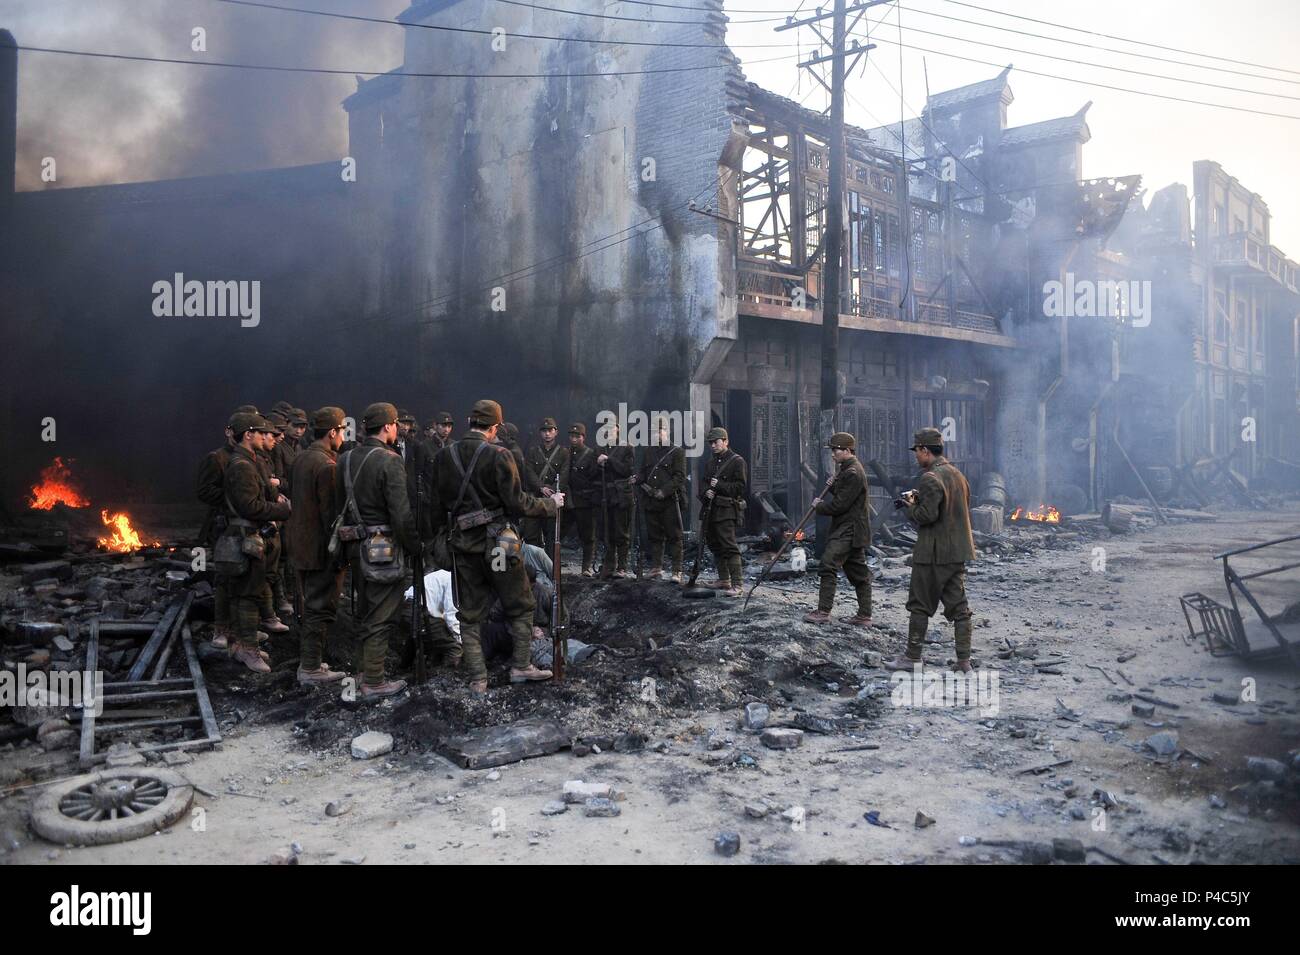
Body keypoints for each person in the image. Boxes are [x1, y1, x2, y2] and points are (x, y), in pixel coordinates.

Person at [428, 399, 562, 695]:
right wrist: (550, 505)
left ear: (469, 421)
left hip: (462, 546)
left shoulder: (444, 456)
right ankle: (521, 666)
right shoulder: (500, 455)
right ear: (496, 426)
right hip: (499, 547)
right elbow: (518, 503)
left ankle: (477, 678)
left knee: (470, 613)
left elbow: (436, 507)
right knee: (521, 604)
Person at [334, 402, 420, 700]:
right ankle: (374, 680)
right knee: (382, 615)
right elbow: (401, 515)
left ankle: (361, 672)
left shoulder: (344, 459)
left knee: (364, 610)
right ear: (387, 427)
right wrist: (414, 546)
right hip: (382, 549)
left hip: (353, 546)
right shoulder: (390, 460)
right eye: (396, 424)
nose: (397, 429)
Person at [885, 427, 977, 672]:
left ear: (925, 450)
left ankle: (912, 657)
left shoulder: (929, 477)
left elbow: (927, 516)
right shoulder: (957, 474)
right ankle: (964, 661)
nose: (916, 456)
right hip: (957, 552)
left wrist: (908, 506)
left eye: (917, 451)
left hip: (933, 553)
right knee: (959, 607)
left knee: (919, 605)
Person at [222, 414, 292, 672]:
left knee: (251, 590)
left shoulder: (250, 461)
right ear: (247, 434)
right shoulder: (241, 465)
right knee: (247, 594)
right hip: (245, 538)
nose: (267, 437)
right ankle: (248, 650)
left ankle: (242, 644)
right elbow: (249, 506)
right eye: (261, 432)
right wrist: (281, 509)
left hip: (253, 537)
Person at [287, 406, 350, 685]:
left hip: (300, 546)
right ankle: (310, 667)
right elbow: (331, 518)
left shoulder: (301, 459)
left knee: (309, 604)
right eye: (342, 431)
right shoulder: (327, 466)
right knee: (320, 607)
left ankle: (311, 662)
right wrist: (338, 554)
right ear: (333, 432)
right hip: (320, 549)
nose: (344, 436)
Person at [803, 432, 873, 627]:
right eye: (833, 450)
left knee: (828, 563)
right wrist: (833, 486)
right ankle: (864, 615)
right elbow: (844, 494)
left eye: (836, 450)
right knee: (858, 572)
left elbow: (840, 505)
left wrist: (819, 506)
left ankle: (823, 611)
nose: (833, 454)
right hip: (848, 527)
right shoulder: (846, 469)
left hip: (849, 529)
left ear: (847, 450)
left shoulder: (853, 472)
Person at [698, 427, 748, 597]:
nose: (713, 445)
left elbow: (740, 487)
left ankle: (738, 584)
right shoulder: (710, 463)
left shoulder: (737, 461)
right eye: (710, 443)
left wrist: (718, 486)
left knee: (729, 546)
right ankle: (723, 579)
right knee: (714, 544)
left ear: (726, 441)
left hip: (726, 510)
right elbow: (703, 484)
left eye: (716, 442)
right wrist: (706, 492)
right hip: (711, 510)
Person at [638, 416, 687, 581]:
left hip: (669, 501)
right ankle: (656, 568)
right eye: (653, 432)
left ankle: (676, 571)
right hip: (651, 500)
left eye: (659, 431)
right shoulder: (648, 451)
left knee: (675, 536)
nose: (655, 435)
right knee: (655, 535)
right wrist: (636, 479)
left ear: (666, 431)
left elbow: (679, 477)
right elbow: (644, 473)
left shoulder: (677, 452)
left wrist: (664, 492)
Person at [522, 417, 569, 551]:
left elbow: (565, 475)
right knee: (531, 535)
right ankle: (534, 568)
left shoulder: (564, 453)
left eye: (550, 430)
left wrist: (553, 490)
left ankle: (550, 567)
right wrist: (541, 487)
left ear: (556, 432)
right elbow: (529, 472)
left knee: (552, 536)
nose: (547, 434)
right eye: (544, 431)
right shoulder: (532, 452)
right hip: (535, 498)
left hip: (553, 500)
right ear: (540, 433)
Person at [596, 422, 635, 578]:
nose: (609, 431)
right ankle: (609, 565)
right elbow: (595, 474)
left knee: (621, 532)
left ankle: (622, 567)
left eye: (612, 428)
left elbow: (627, 470)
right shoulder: (600, 448)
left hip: (621, 496)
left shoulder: (627, 448)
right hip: (606, 496)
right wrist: (598, 464)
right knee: (607, 532)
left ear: (618, 429)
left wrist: (609, 460)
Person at [565, 422, 601, 577]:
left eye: (577, 436)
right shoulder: (565, 454)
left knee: (588, 536)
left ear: (583, 437)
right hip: (567, 500)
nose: (574, 439)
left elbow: (594, 477)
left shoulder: (591, 454)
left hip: (584, 501)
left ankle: (586, 568)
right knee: (557, 533)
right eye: (572, 436)